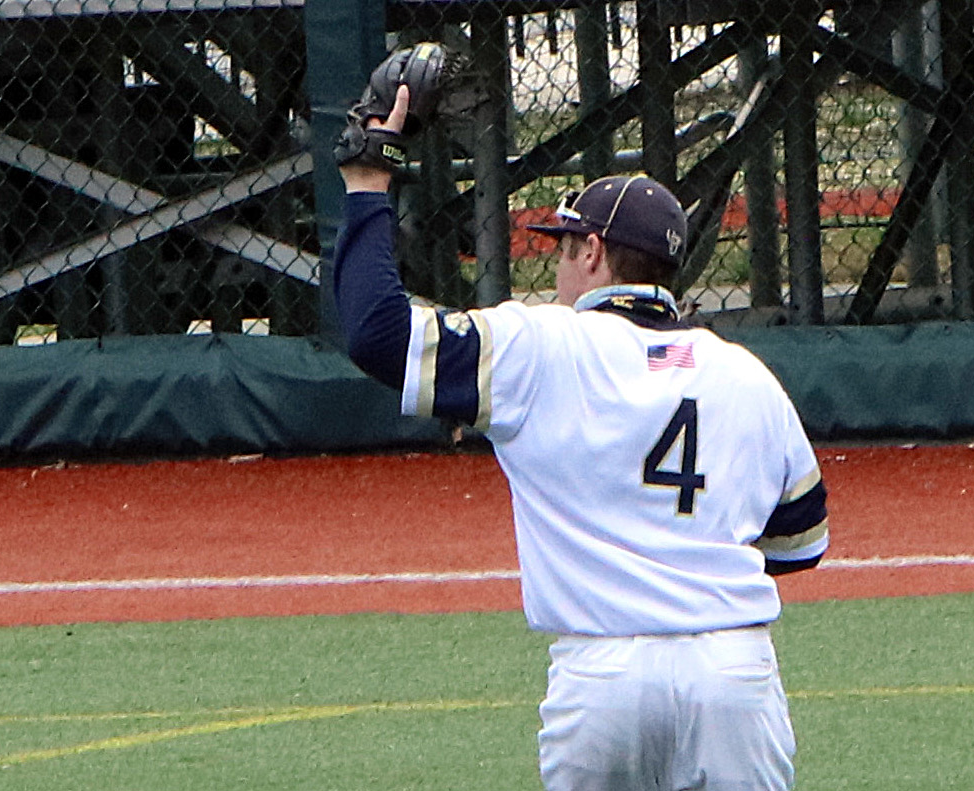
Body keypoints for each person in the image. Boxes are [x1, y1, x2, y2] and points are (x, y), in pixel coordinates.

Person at [333, 86, 829, 791]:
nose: (557, 268)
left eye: (563, 248)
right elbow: (799, 543)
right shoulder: (747, 376)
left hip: (603, 681)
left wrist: (367, 181)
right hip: (731, 678)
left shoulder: (538, 346)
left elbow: (376, 332)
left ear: (593, 251)